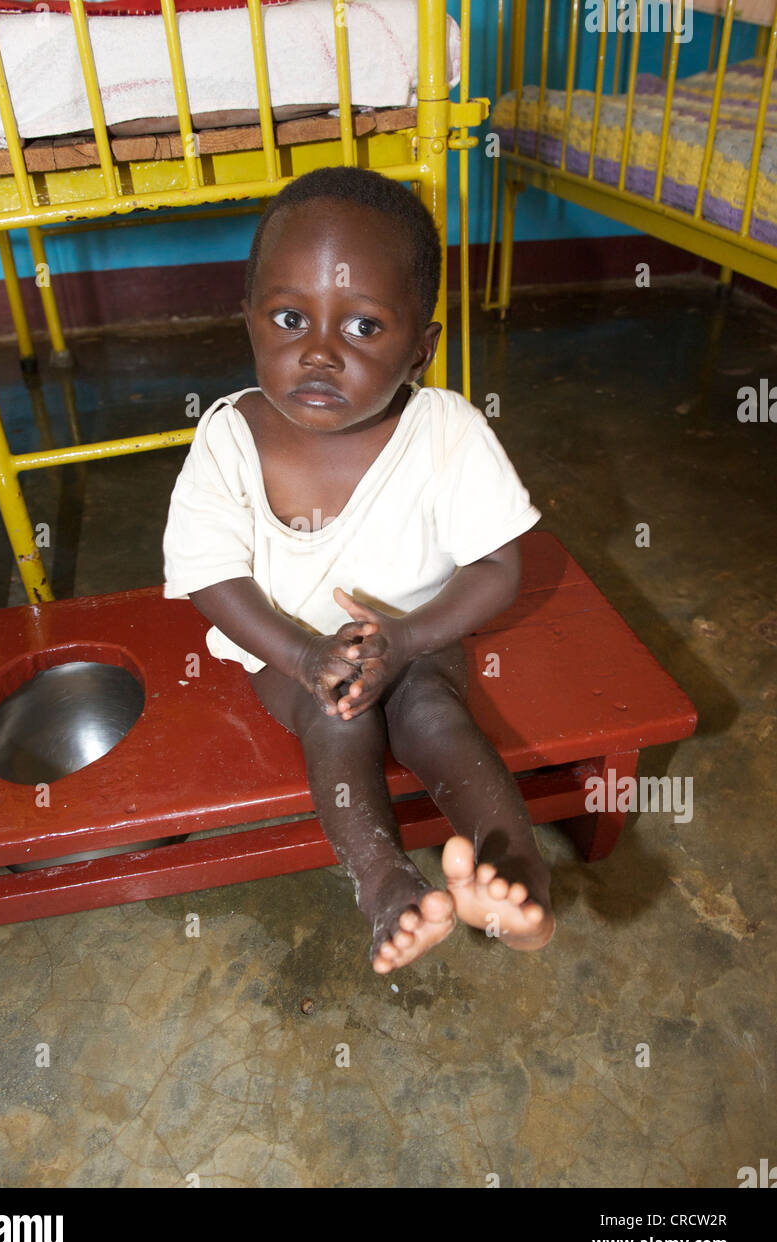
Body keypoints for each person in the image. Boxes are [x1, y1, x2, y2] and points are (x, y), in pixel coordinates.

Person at [163, 166, 554, 973]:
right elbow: (210, 575)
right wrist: (309, 657)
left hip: (413, 634)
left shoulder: (445, 429)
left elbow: (494, 568)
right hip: (284, 644)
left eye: (364, 329)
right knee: (336, 722)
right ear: (248, 323)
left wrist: (404, 639)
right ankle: (384, 886)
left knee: (435, 718)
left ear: (422, 348)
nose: (318, 352)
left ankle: (517, 882)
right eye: (288, 317)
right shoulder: (229, 437)